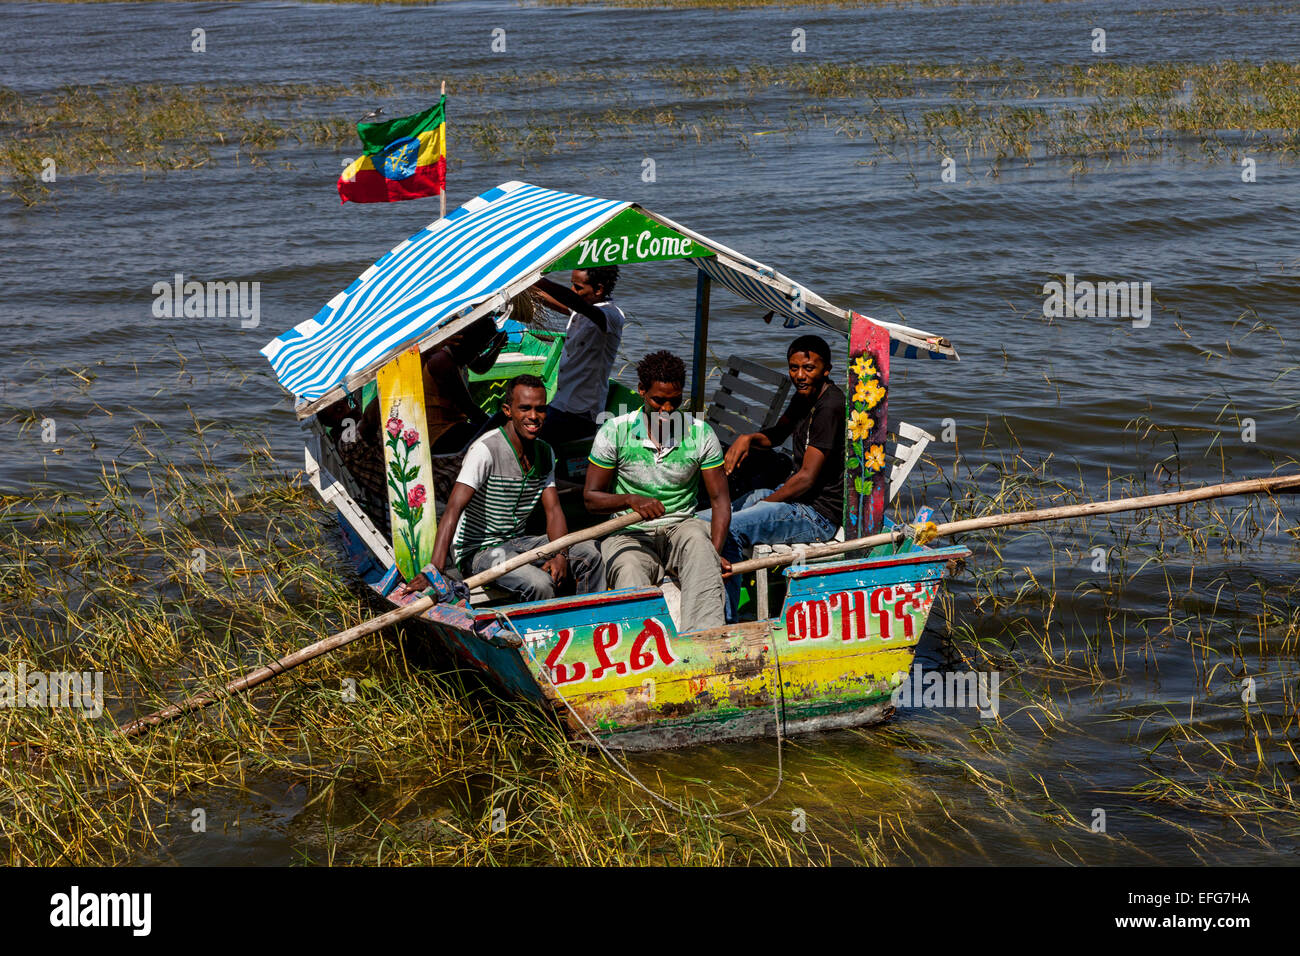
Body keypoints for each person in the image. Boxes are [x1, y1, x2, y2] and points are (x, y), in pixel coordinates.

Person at [394, 374, 604, 604]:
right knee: (539, 583)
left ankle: (589, 619)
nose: (533, 417)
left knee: (589, 554)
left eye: (540, 409)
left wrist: (561, 554)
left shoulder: (545, 452)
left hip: (519, 542)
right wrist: (434, 569)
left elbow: (553, 510)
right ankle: (540, 633)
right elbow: (453, 509)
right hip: (480, 552)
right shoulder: (486, 450)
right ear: (507, 410)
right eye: (525, 409)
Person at [701, 334, 845, 623]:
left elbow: (806, 478)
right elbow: (777, 435)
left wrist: (766, 503)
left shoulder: (830, 406)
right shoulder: (804, 397)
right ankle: (695, 592)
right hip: (793, 498)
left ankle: (722, 622)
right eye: (794, 368)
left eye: (809, 368)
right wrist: (748, 438)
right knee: (704, 520)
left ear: (826, 369)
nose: (800, 376)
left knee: (729, 529)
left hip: (816, 515)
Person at [584, 350, 731, 633]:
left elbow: (720, 501)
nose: (666, 410)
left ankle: (705, 641)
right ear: (641, 391)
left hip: (681, 528)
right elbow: (591, 498)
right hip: (628, 532)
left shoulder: (700, 433)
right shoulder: (615, 431)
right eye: (658, 401)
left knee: (701, 552)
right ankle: (639, 648)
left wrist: (713, 554)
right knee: (629, 570)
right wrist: (630, 500)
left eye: (674, 402)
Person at [529, 267, 625, 445]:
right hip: (560, 405)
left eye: (578, 287)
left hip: (582, 414)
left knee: (523, 435)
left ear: (598, 290)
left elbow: (571, 300)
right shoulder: (581, 309)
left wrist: (538, 280)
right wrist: (524, 284)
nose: (573, 291)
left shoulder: (611, 315)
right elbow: (549, 298)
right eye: (572, 286)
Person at [421, 315, 506, 455]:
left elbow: (480, 367)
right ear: (464, 342)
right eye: (477, 349)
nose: (477, 355)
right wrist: (502, 430)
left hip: (454, 427)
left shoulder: (461, 355)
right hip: (439, 436)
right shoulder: (443, 362)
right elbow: (471, 410)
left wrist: (497, 346)